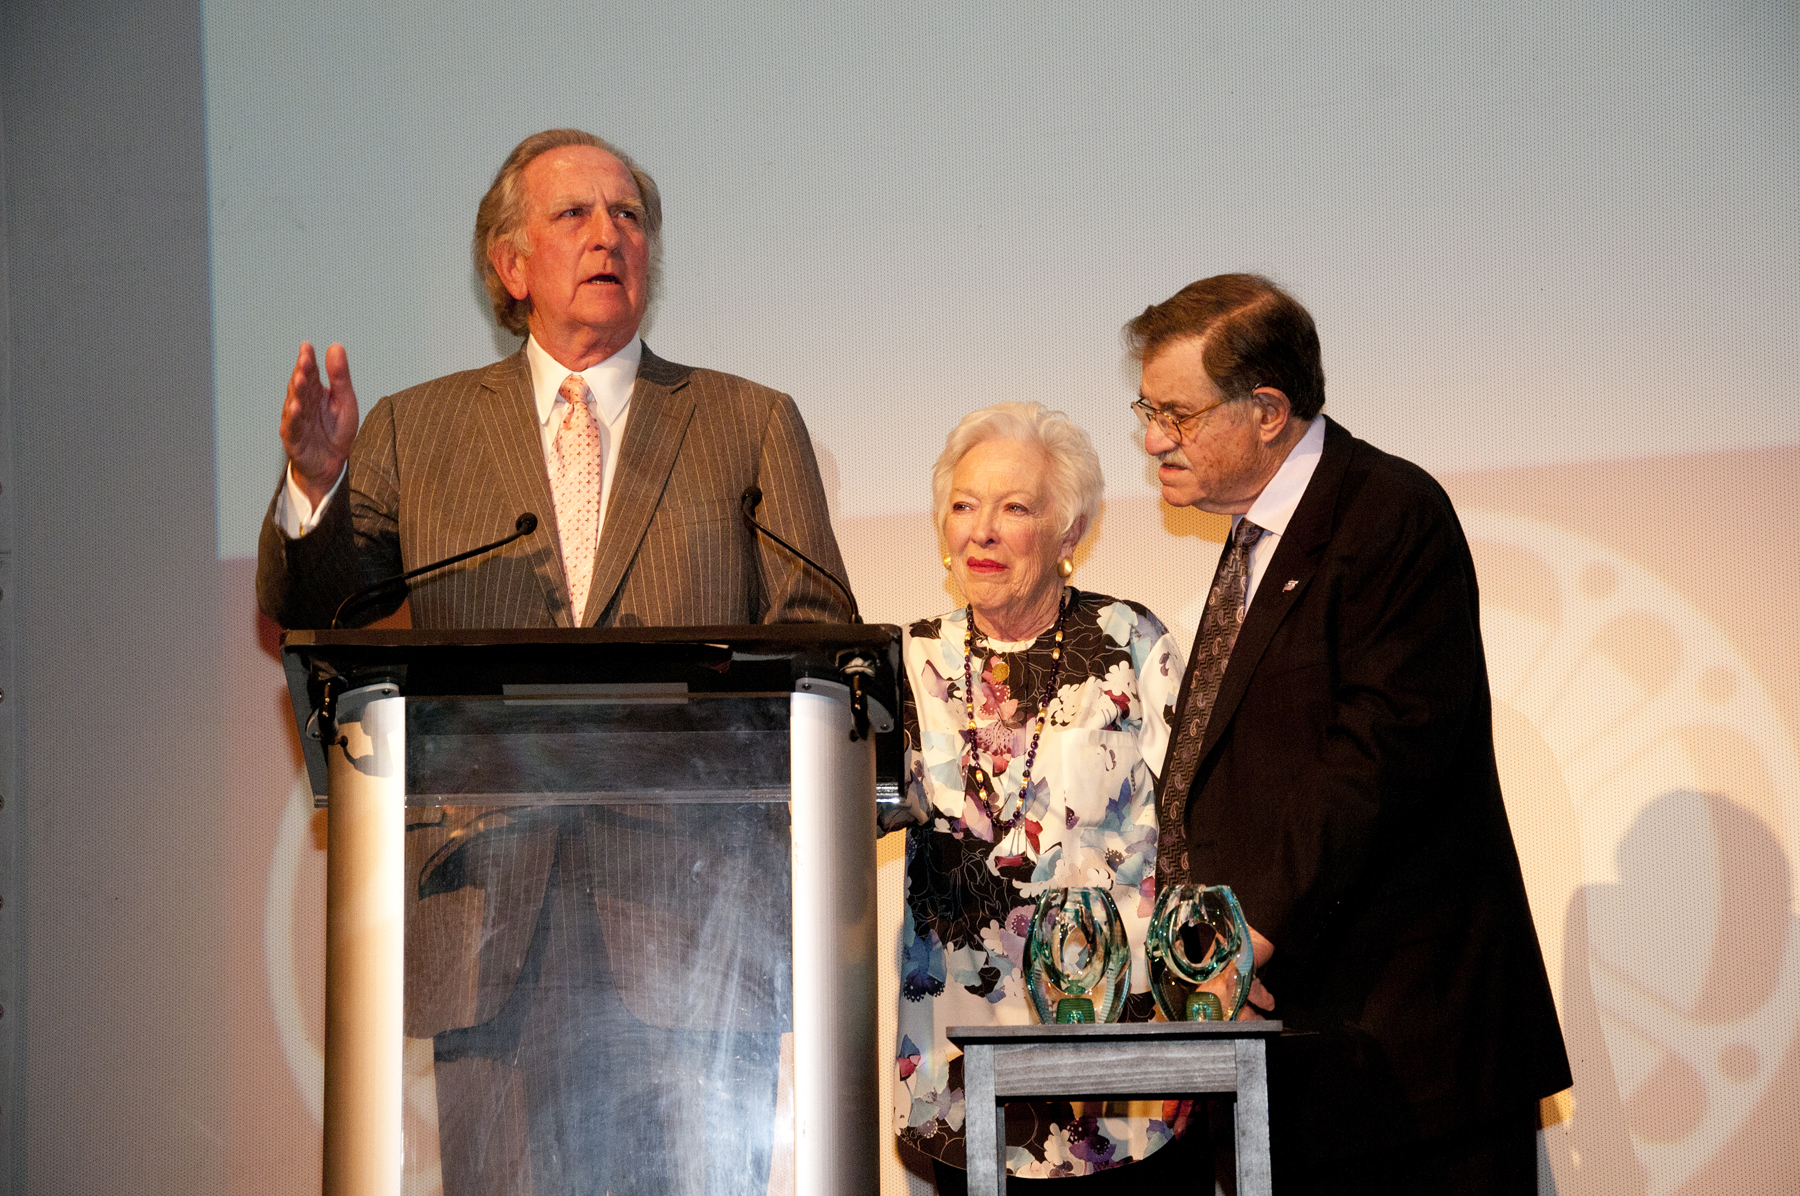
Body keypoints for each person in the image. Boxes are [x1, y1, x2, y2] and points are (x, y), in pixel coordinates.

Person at [256, 129, 852, 1195]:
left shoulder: (746, 422)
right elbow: (319, 610)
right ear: (511, 264)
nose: (608, 233)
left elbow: (817, 637)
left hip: (696, 906)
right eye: (574, 213)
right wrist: (316, 490)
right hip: (493, 909)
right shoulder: (415, 431)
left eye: (627, 214)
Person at [1131, 274, 1571, 1194]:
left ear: (1266, 409)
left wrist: (1237, 937)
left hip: (1411, 1058)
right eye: (1145, 408)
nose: (1150, 438)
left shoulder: (1386, 513)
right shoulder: (1260, 538)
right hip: (1305, 1057)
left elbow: (1378, 757)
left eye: (1174, 412)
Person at [887, 402, 1189, 1193]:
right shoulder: (904, 661)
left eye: (1014, 508)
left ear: (1070, 531)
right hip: (962, 1068)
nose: (980, 531)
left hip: (1115, 1066)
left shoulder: (1133, 641)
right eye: (963, 505)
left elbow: (1197, 815)